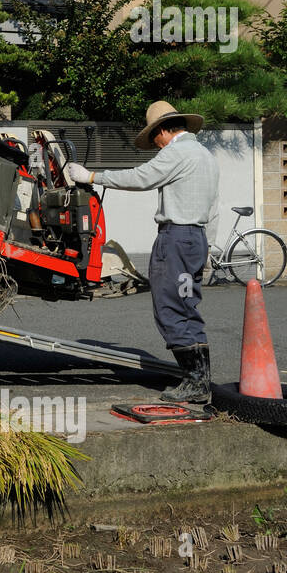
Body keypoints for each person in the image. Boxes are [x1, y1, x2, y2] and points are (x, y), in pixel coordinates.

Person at [65, 101, 220, 404]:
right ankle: (200, 378)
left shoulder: (177, 152)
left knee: (169, 306)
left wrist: (92, 177)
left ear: (162, 131)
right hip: (196, 239)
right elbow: (214, 207)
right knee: (187, 303)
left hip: (175, 239)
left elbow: (141, 177)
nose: (155, 146)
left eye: (154, 140)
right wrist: (207, 248)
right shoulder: (205, 156)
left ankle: (194, 382)